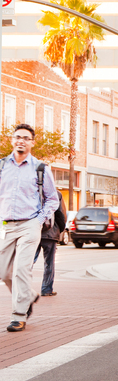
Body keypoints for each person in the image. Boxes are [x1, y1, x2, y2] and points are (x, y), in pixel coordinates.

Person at [0, 124, 59, 332]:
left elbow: (52, 199)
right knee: (3, 271)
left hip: (29, 224)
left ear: (32, 142)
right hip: (6, 225)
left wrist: (39, 220)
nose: (21, 141)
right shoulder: (1, 167)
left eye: (25, 138)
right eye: (17, 137)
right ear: (11, 140)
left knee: (20, 270)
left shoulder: (40, 168)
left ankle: (19, 315)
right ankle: (29, 296)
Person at [33, 189, 66, 297]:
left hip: (34, 231)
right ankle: (46, 289)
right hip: (50, 233)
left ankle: (22, 287)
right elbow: (61, 214)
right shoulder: (55, 193)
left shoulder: (32, 191)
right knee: (49, 263)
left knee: (28, 261)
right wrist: (60, 229)